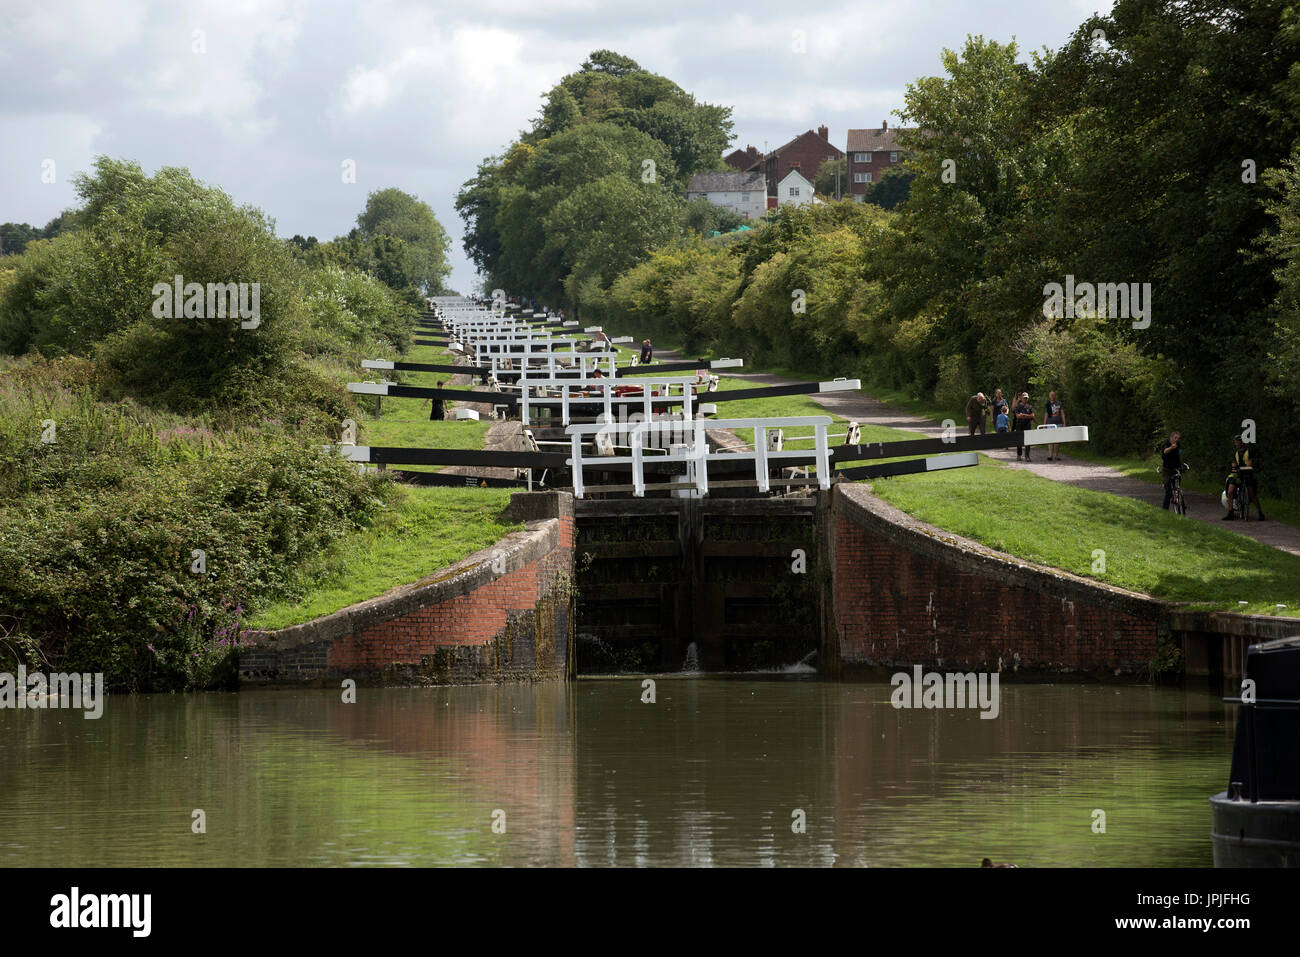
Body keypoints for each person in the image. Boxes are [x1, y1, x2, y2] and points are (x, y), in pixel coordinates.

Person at [1224, 434, 1265, 521]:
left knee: (1252, 494)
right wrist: (1235, 470)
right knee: (1230, 491)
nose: (1236, 444)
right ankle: (1230, 512)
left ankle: (1260, 513)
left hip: (1247, 474)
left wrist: (1240, 469)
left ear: (1242, 443)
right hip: (1238, 475)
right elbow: (1234, 465)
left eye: (1237, 442)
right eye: (1235, 442)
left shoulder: (1249, 452)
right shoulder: (1236, 453)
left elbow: (1250, 465)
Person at [1160, 431, 1183, 510]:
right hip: (1167, 469)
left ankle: (1177, 496)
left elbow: (1179, 455)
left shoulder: (1178, 445)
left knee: (1177, 484)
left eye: (1178, 438)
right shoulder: (1166, 444)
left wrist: (1181, 466)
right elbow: (1165, 451)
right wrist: (1171, 448)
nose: (1176, 440)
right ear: (1171, 438)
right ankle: (1165, 509)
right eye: (1175, 438)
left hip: (1176, 468)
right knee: (1169, 491)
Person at [1043, 390, 1065, 461]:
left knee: (1057, 440)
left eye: (1053, 395)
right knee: (1050, 440)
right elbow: (1046, 414)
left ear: (1055, 396)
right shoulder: (1048, 404)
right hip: (1050, 424)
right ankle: (1050, 455)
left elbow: (1062, 414)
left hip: (1058, 423)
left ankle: (1056, 455)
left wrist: (1064, 423)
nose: (1052, 396)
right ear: (1049, 396)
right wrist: (1044, 424)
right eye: (1051, 395)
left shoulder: (1059, 403)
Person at [1013, 392, 1035, 460]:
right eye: (1024, 398)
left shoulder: (1030, 407)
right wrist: (1027, 416)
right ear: (1021, 398)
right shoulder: (1018, 407)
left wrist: (1024, 415)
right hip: (1019, 425)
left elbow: (1032, 416)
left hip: (1027, 425)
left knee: (1028, 441)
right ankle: (1019, 455)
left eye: (1026, 398)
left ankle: (1027, 456)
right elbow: (1018, 416)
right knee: (1019, 440)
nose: (1025, 399)